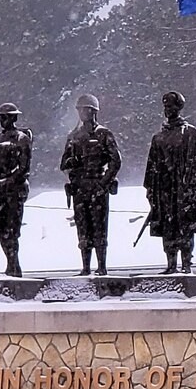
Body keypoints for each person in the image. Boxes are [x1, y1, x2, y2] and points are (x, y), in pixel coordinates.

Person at [143, 91, 196, 272]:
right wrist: (152, 191)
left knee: (185, 226)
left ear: (179, 108)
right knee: (168, 227)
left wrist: (195, 187)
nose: (168, 110)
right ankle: (171, 264)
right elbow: (151, 169)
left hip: (185, 190)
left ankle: (186, 264)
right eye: (166, 107)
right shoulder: (158, 138)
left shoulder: (190, 133)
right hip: (165, 191)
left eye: (171, 106)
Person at [60, 92, 121, 276]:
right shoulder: (74, 136)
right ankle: (86, 266)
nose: (81, 113)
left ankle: (101, 266)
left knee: (99, 228)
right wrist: (71, 163)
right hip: (80, 188)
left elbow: (115, 161)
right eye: (79, 110)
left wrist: (103, 183)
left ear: (94, 111)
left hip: (97, 186)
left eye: (85, 110)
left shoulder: (104, 134)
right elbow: (63, 164)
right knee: (83, 227)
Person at [0, 102, 32, 277]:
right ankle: (12, 265)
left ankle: (13, 265)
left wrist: (5, 183)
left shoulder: (22, 139)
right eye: (1, 117)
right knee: (1, 232)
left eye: (6, 117)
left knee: (12, 231)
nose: (3, 120)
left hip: (13, 192)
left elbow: (23, 168)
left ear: (14, 118)